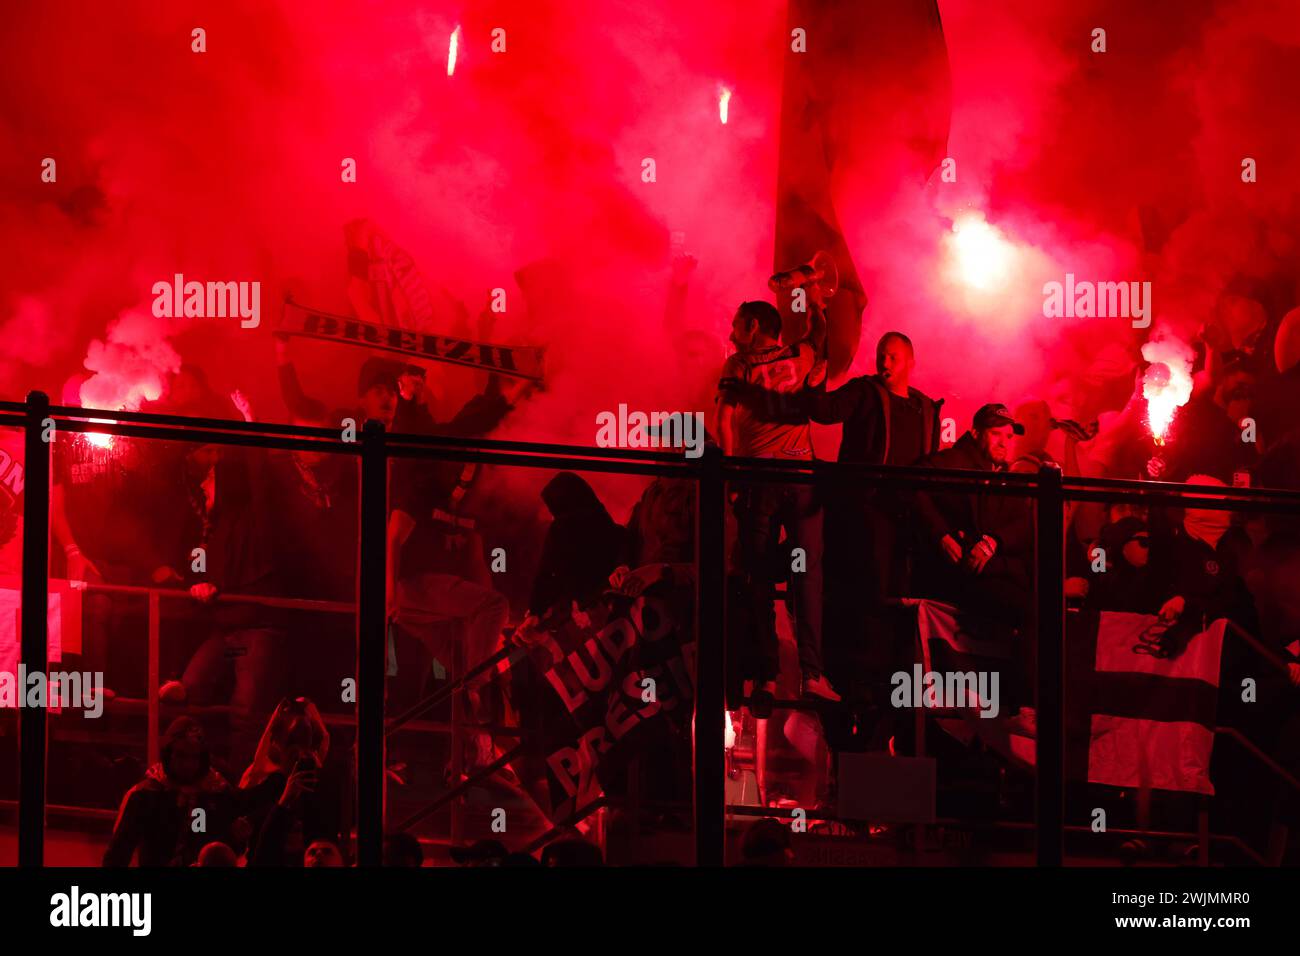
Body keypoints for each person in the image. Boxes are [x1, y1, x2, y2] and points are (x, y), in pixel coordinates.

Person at [716, 300, 837, 704]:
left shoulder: (737, 363)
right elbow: (819, 339)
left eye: (736, 326)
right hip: (802, 478)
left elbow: (723, 419)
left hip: (760, 479)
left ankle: (766, 676)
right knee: (809, 572)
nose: (732, 334)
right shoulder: (799, 355)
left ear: (752, 326)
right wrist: (818, 305)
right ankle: (812, 675)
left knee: (758, 576)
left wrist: (732, 474)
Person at [914, 404, 1035, 722]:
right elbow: (913, 486)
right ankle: (1022, 705)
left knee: (1040, 604)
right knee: (1033, 610)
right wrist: (941, 535)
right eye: (996, 434)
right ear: (975, 433)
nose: (1004, 442)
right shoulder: (955, 462)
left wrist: (995, 542)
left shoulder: (1003, 478)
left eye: (1009, 436)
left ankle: (1024, 705)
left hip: (989, 575)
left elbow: (1023, 525)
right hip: (958, 578)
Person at [103, 717, 239, 866]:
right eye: (181, 756)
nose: (188, 764)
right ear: (169, 755)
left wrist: (238, 837)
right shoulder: (146, 795)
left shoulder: (216, 794)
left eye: (195, 757)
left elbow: (228, 851)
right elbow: (118, 854)